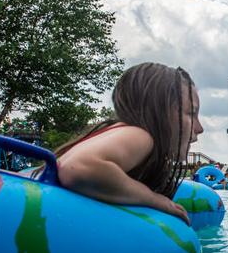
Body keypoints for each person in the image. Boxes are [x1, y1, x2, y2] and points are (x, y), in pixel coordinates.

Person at [53, 62, 202, 224]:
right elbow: (77, 169)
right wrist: (154, 199)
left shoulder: (115, 132)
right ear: (159, 111)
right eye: (191, 113)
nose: (200, 128)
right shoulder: (140, 136)